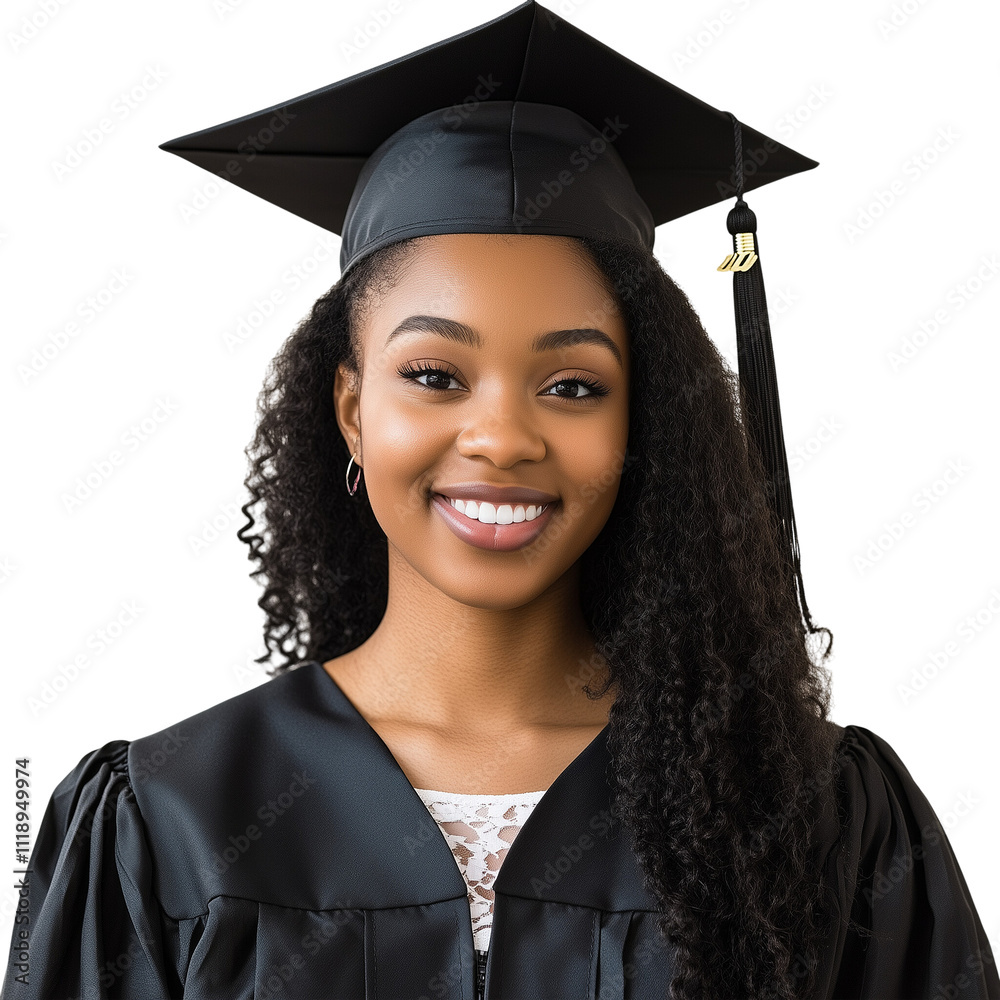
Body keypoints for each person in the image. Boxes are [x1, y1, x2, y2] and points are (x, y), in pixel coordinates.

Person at [4, 4, 997, 999]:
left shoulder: (816, 814)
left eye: (573, 386)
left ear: (642, 423)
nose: (502, 437)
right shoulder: (168, 817)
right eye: (434, 374)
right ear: (350, 410)